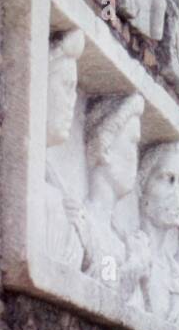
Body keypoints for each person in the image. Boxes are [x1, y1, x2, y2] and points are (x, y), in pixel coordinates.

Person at [84, 92, 150, 302]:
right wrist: (135, 265)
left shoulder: (117, 237)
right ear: (106, 148)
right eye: (132, 143)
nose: (136, 157)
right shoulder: (89, 226)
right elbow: (106, 291)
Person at [44, 28, 88, 270]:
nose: (73, 100)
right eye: (66, 86)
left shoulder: (60, 187)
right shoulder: (46, 192)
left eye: (75, 90)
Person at [137, 140, 179, 327]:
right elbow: (107, 278)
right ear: (142, 184)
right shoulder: (129, 248)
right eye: (168, 179)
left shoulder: (175, 272)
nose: (178, 194)